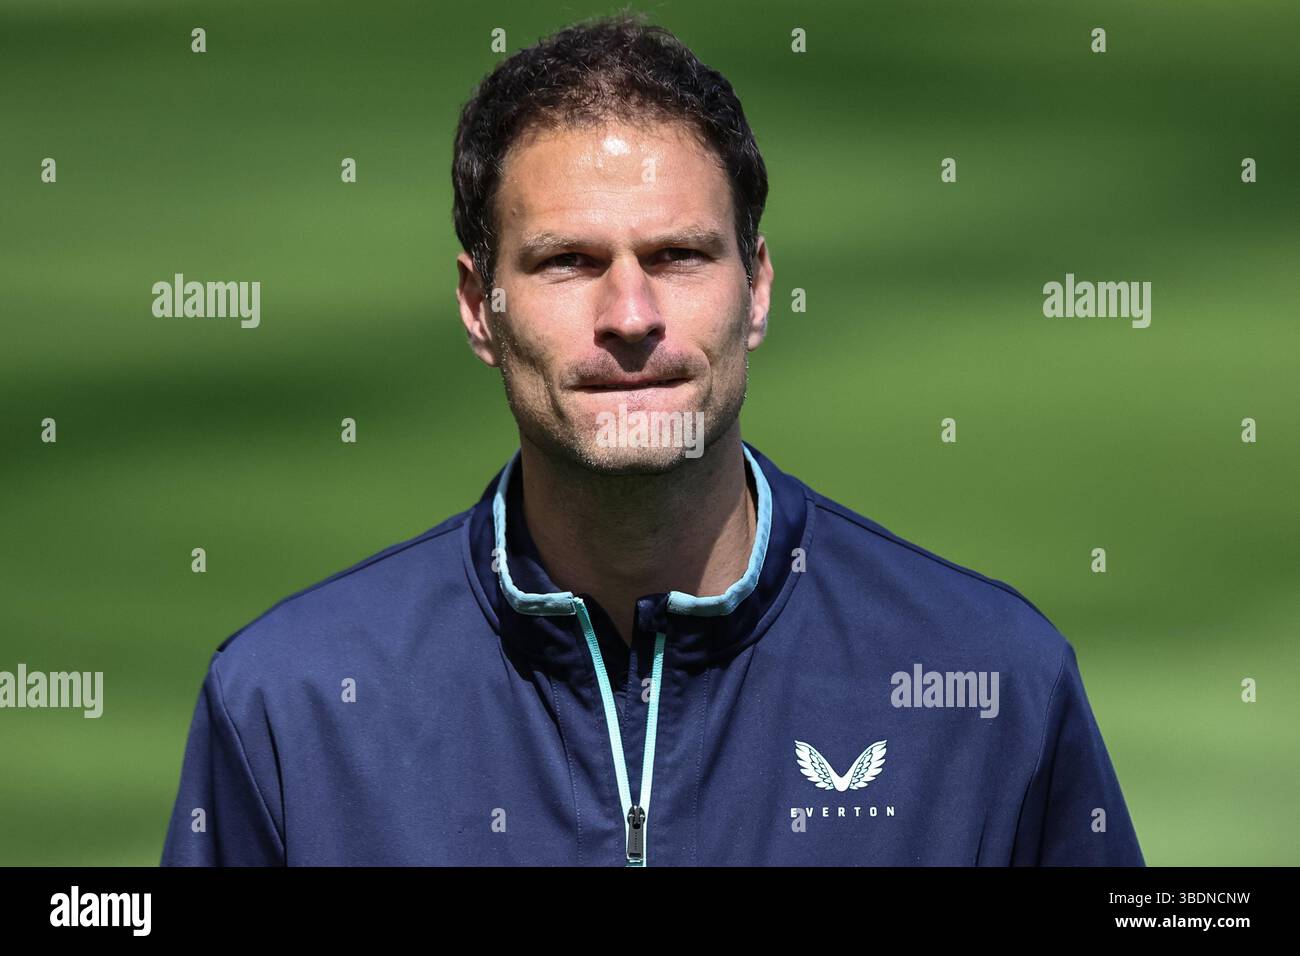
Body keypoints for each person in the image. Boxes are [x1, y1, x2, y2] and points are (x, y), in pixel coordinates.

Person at [161, 12, 1143, 866]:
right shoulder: (290, 705)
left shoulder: (989, 679)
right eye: (566, 261)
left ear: (755, 286)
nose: (629, 313)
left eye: (677, 255)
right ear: (478, 305)